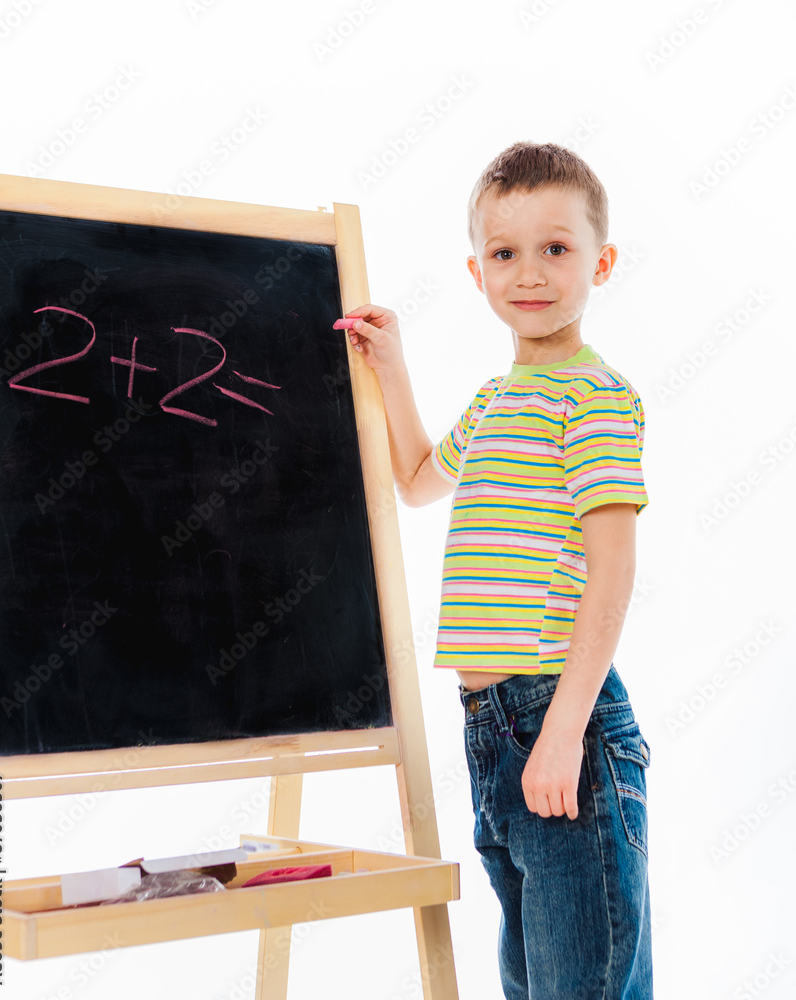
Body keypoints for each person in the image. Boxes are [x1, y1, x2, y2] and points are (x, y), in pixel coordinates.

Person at [336, 140, 653, 999]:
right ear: (476, 273)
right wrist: (392, 366)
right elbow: (413, 482)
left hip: (560, 720)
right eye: (504, 253)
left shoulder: (590, 398)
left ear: (601, 261)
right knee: (534, 983)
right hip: (493, 726)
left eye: (556, 248)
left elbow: (612, 574)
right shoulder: (492, 400)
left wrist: (560, 733)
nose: (530, 273)